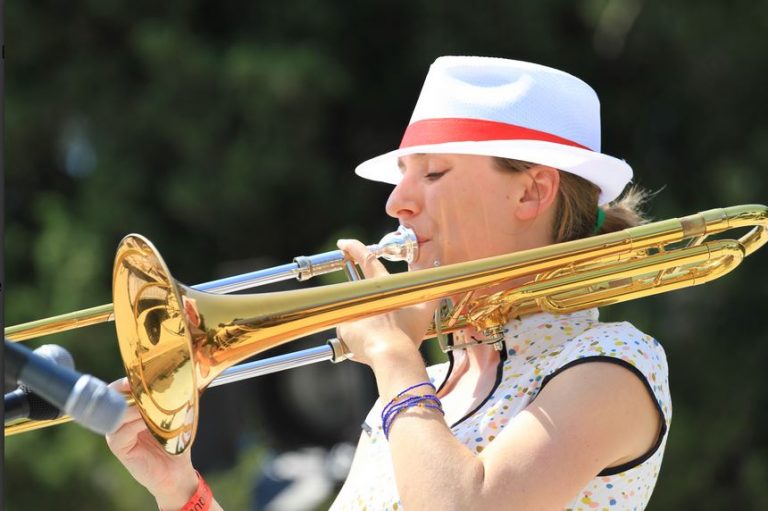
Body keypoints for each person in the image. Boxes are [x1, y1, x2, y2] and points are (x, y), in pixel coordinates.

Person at [107, 56, 670, 510]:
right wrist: (180, 490)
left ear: (531, 192)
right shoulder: (415, 394)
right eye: (403, 177)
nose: (396, 203)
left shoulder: (612, 364)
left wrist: (393, 355)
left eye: (432, 173)